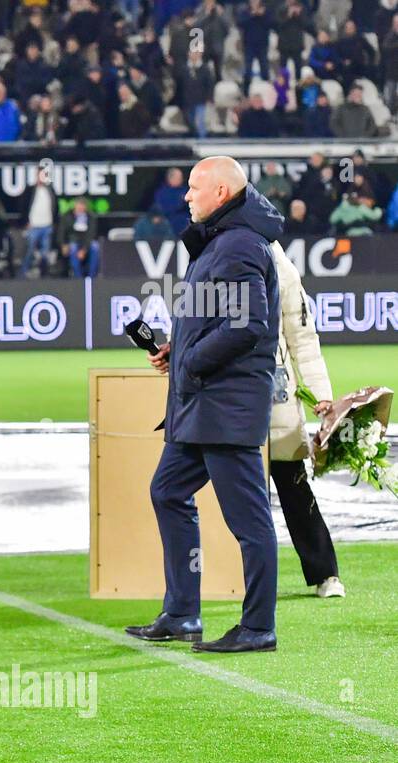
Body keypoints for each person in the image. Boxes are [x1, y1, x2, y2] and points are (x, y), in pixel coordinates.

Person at [127, 157, 283, 654]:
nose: (186, 197)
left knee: (249, 521)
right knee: (168, 492)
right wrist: (179, 347)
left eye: (194, 188)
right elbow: (224, 319)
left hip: (225, 407)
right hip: (205, 405)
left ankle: (258, 626)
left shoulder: (237, 244)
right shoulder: (224, 240)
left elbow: (248, 325)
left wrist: (189, 362)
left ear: (220, 191)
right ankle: (182, 613)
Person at [267, 242, 345, 599]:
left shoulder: (277, 262)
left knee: (294, 485)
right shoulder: (206, 251)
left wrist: (320, 392)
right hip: (224, 397)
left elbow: (301, 334)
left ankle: (325, 573)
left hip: (274, 397)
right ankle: (220, 577)